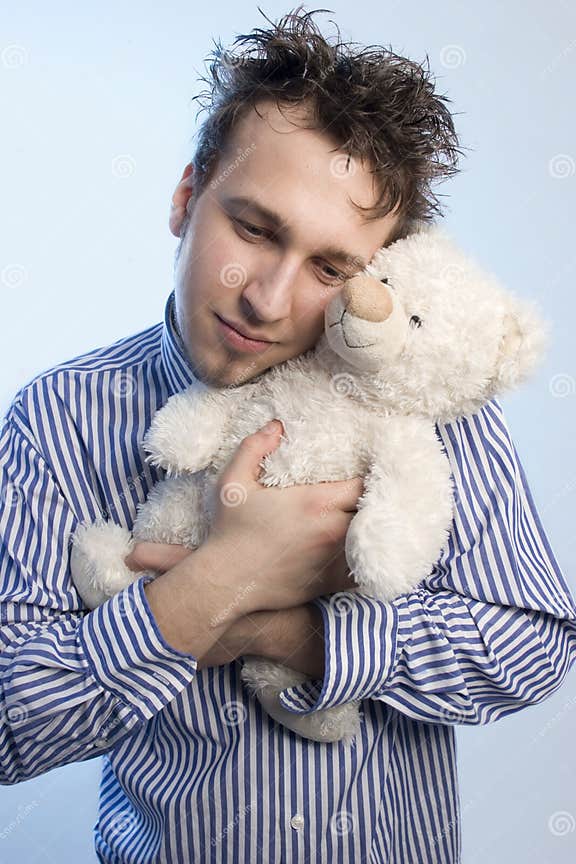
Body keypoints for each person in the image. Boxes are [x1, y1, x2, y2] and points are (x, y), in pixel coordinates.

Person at [1, 6, 575, 863]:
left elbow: (534, 643)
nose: (266, 299)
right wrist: (217, 581)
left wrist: (285, 631)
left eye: (330, 266)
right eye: (254, 228)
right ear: (186, 197)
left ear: (374, 279)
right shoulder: (57, 419)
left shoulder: (426, 404)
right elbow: (12, 725)